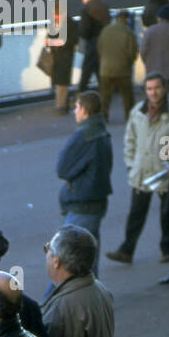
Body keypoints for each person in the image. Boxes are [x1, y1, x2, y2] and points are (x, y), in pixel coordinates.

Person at [106, 74, 169, 265]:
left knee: (166, 215)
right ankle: (127, 250)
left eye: (157, 88)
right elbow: (130, 139)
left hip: (165, 171)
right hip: (142, 171)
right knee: (136, 213)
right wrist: (131, 163)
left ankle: (167, 250)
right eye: (149, 89)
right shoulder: (138, 111)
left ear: (164, 88)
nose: (153, 92)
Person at [55, 91, 112, 265]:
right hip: (96, 200)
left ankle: (56, 294)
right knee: (89, 258)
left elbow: (62, 168)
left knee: (68, 260)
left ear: (84, 110)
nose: (75, 111)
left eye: (77, 107)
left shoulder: (84, 135)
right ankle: (91, 292)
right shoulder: (101, 131)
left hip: (83, 202)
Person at [97, 10, 138, 122]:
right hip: (123, 69)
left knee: (105, 96)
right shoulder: (129, 32)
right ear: (127, 19)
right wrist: (129, 62)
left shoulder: (106, 30)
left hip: (106, 69)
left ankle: (103, 116)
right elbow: (132, 52)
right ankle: (129, 117)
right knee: (127, 96)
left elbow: (99, 48)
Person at [77, 0, 110, 92]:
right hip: (104, 41)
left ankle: (81, 92)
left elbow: (84, 29)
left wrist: (84, 37)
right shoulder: (104, 5)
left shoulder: (86, 8)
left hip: (92, 42)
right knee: (99, 67)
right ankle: (105, 89)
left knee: (86, 69)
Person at [45, 11, 77, 114]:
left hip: (65, 56)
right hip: (57, 57)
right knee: (61, 82)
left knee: (62, 83)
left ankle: (60, 106)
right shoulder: (55, 23)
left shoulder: (70, 24)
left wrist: (54, 42)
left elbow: (71, 41)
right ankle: (63, 105)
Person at [140, 12, 169, 86]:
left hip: (154, 70)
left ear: (159, 18)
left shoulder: (150, 30)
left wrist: (148, 63)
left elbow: (143, 51)